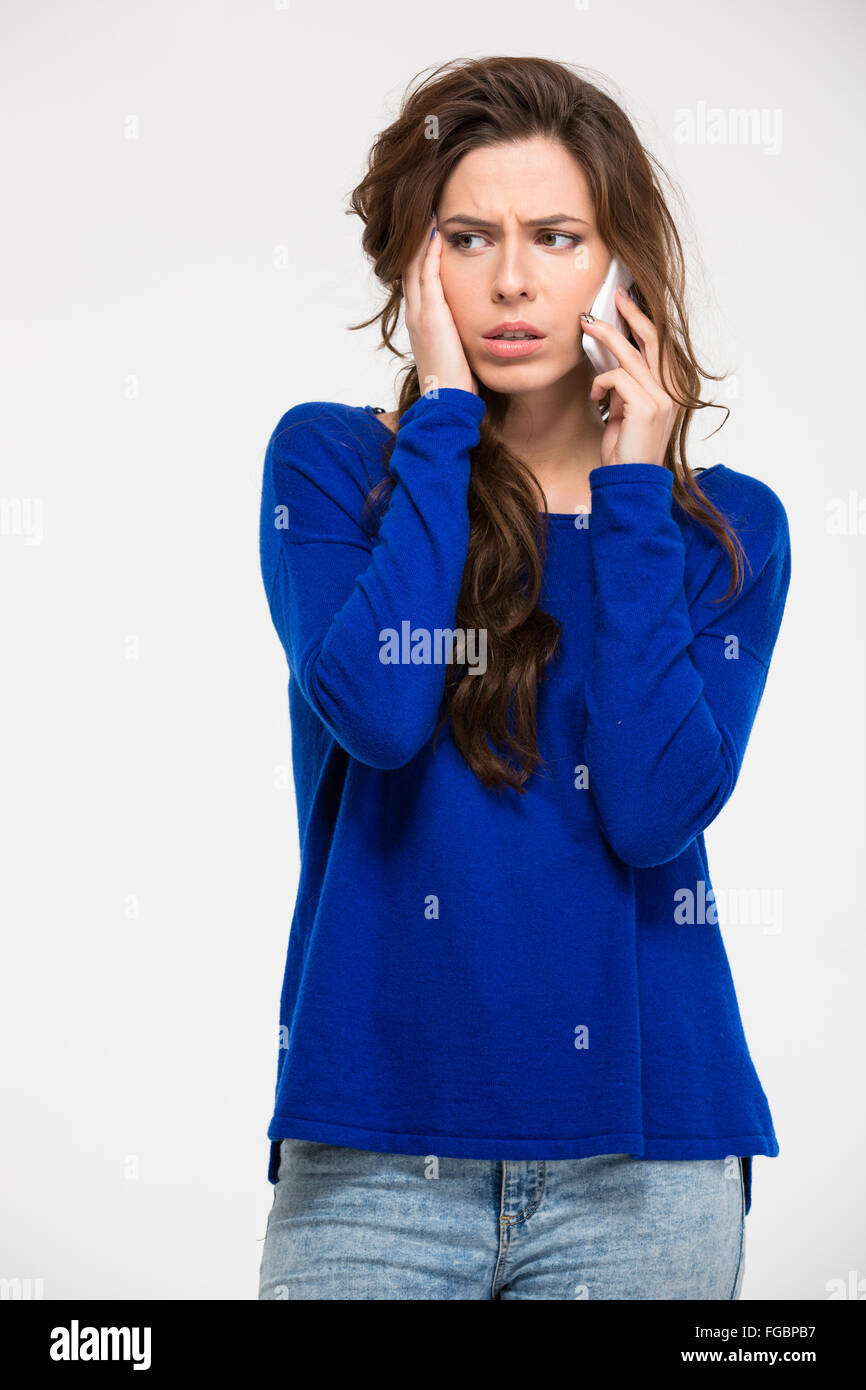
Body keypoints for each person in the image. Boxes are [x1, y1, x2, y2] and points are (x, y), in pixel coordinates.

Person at [256, 55, 791, 1300]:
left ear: (619, 266)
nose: (509, 279)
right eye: (467, 236)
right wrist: (441, 417)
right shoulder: (335, 473)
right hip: (372, 1153)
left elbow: (653, 810)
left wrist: (634, 492)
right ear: (413, 262)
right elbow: (384, 716)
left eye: (555, 236)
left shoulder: (726, 531)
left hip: (647, 1164)